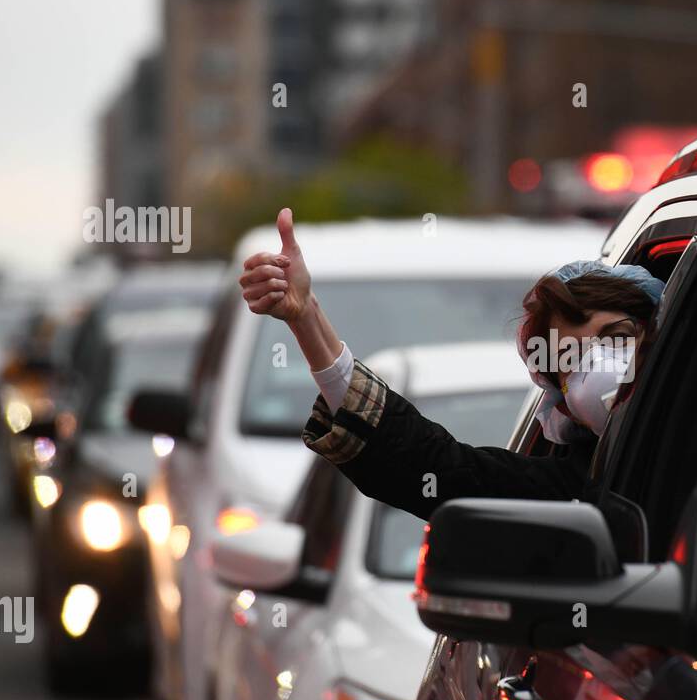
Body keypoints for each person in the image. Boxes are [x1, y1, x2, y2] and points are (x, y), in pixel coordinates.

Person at [238, 208, 665, 520]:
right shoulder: (577, 490)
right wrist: (306, 317)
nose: (604, 365)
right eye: (574, 361)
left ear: (655, 330)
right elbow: (438, 469)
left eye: (617, 337)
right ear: (564, 406)